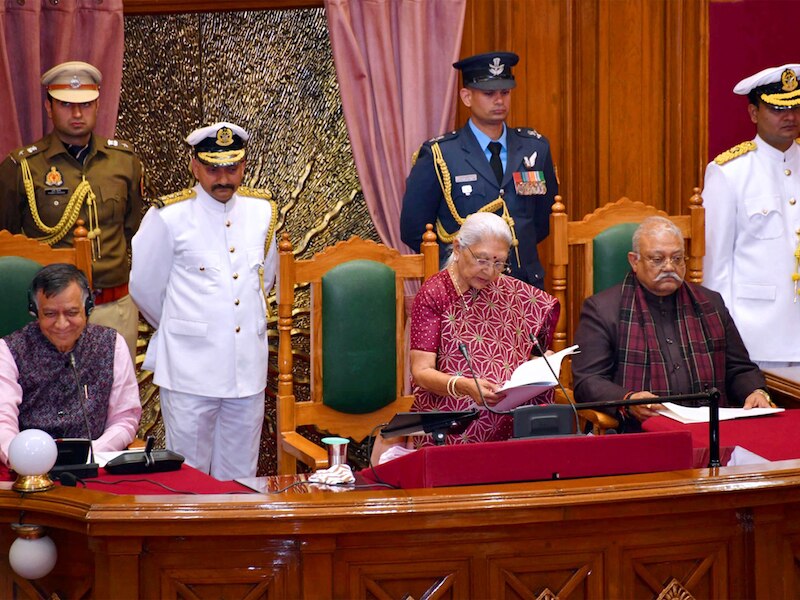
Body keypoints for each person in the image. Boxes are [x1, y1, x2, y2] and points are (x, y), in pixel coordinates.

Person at [129, 122, 278, 480]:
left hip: (247, 369)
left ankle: (237, 536)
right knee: (188, 474)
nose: (223, 178)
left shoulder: (263, 212)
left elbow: (266, 279)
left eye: (232, 168)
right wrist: (186, 327)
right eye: (213, 169)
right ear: (194, 166)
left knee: (242, 474)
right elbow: (144, 287)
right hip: (190, 369)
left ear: (244, 165)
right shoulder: (168, 216)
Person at [374, 212, 559, 460]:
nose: (490, 272)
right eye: (482, 260)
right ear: (458, 248)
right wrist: (464, 387)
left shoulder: (511, 292)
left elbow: (538, 331)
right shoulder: (434, 294)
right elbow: (421, 372)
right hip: (450, 424)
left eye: (499, 262)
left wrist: (542, 362)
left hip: (509, 420)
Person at [0, 61, 145, 360]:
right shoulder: (22, 166)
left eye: (86, 104)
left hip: (113, 307)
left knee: (116, 401)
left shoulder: (124, 161)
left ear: (97, 105)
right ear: (49, 107)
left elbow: (134, 230)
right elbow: (8, 242)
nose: (77, 114)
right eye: (66, 104)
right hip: (53, 315)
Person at [572, 217, 772, 431]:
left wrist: (756, 392)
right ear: (634, 261)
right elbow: (588, 382)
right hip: (639, 434)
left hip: (712, 431)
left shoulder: (710, 303)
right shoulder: (603, 309)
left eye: (677, 258)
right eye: (657, 259)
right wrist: (629, 400)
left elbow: (739, 368)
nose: (669, 267)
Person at [400, 51, 558, 289]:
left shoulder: (534, 149)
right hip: (465, 289)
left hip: (524, 287)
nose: (499, 100)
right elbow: (415, 229)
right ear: (466, 97)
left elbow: (541, 223)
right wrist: (465, 265)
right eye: (488, 93)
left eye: (505, 92)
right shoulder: (440, 154)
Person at [703, 63, 800, 368]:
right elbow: (715, 266)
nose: (790, 116)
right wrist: (724, 339)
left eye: (796, 107)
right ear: (754, 113)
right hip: (758, 336)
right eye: (777, 108)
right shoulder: (729, 172)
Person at [0, 263, 141, 466]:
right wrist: (21, 458)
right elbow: (3, 420)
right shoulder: (8, 350)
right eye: (49, 314)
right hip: (27, 469)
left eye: (72, 313)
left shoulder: (112, 344)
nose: (61, 324)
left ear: (88, 308)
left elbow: (125, 418)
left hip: (95, 465)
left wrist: (92, 453)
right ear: (35, 311)